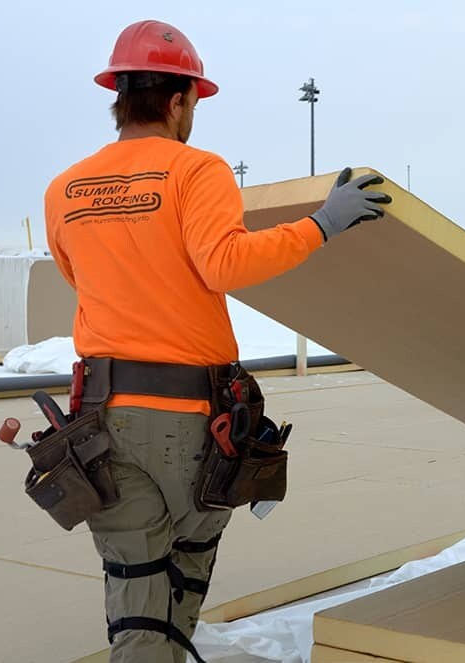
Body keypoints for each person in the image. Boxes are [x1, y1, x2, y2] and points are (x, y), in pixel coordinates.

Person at [43, 20, 390, 663]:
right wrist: (320, 225)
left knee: (135, 583)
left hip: (97, 422)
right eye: (194, 103)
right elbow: (224, 265)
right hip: (185, 420)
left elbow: (78, 277)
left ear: (119, 95)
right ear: (179, 100)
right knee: (188, 558)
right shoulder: (195, 170)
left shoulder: (65, 188)